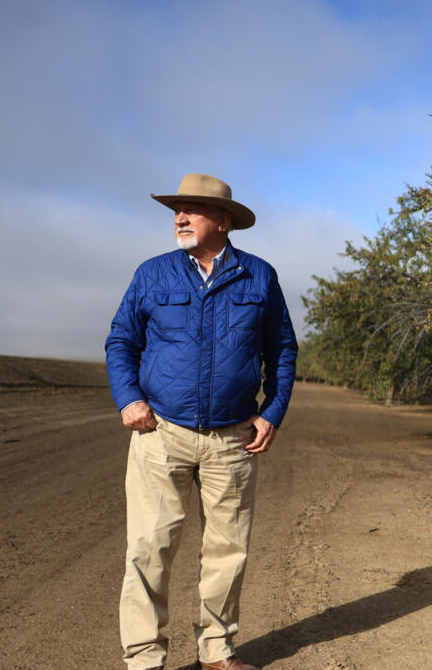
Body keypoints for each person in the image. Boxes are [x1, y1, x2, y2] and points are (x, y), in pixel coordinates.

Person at [105, 173, 298, 670]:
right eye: (177, 209)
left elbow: (282, 351)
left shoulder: (259, 276)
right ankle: (145, 659)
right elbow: (121, 341)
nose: (180, 218)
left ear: (223, 221)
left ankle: (217, 653)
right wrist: (129, 399)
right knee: (149, 548)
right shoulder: (152, 274)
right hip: (159, 433)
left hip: (233, 439)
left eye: (192, 209)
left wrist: (272, 412)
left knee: (227, 551)